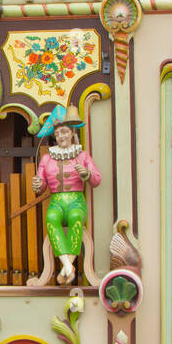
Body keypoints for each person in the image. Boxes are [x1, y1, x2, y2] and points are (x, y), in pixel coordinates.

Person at [32, 112, 101, 285]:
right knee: (51, 218)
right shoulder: (47, 158)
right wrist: (37, 185)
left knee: (75, 217)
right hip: (56, 202)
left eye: (63, 132)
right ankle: (68, 267)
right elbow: (40, 187)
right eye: (57, 134)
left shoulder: (82, 155)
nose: (60, 136)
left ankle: (66, 267)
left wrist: (87, 174)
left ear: (72, 133)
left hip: (76, 201)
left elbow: (97, 180)